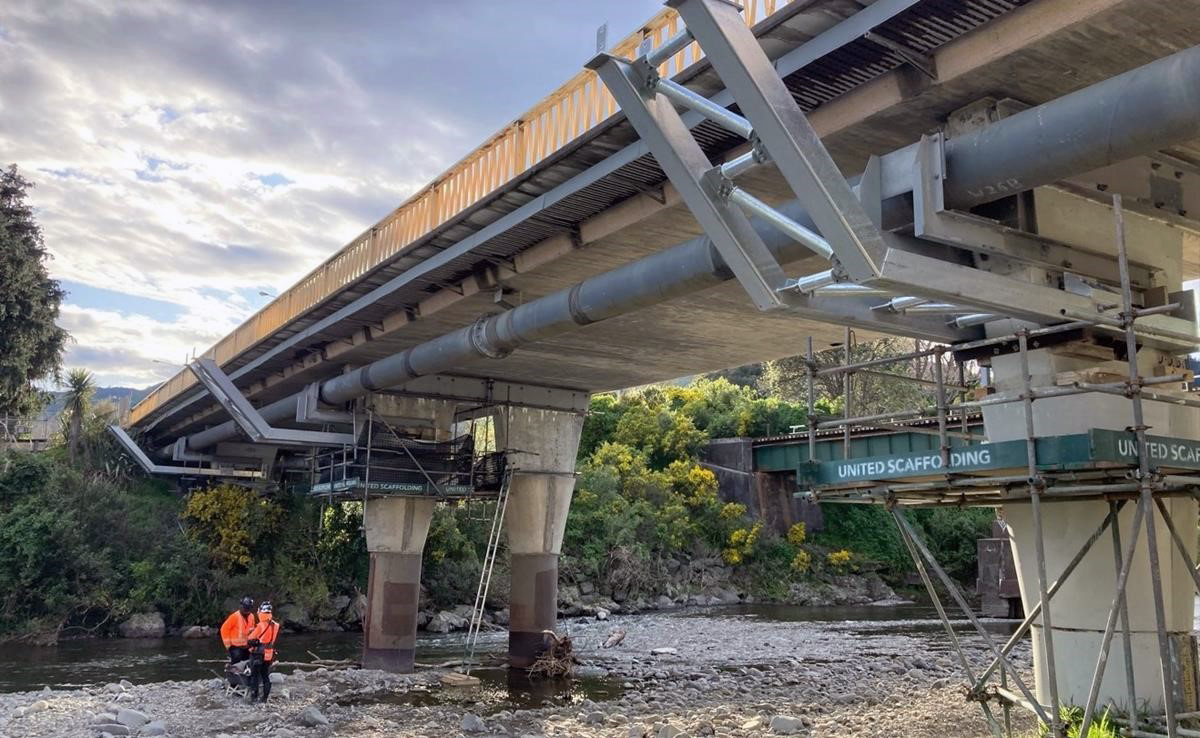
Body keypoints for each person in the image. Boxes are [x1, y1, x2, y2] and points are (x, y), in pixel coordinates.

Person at [246, 601, 280, 703]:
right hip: (269, 654)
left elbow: (250, 639)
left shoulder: (260, 625)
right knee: (265, 675)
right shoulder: (275, 625)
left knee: (255, 676)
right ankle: (264, 698)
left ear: (261, 611)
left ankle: (254, 698)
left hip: (258, 654)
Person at [220, 596, 256, 663]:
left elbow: (252, 631)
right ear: (241, 606)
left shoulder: (251, 617)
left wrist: (252, 643)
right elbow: (224, 629)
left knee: (248, 663)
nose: (246, 610)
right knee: (236, 664)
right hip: (235, 647)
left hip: (247, 646)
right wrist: (228, 646)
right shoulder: (234, 616)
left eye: (248, 608)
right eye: (245, 608)